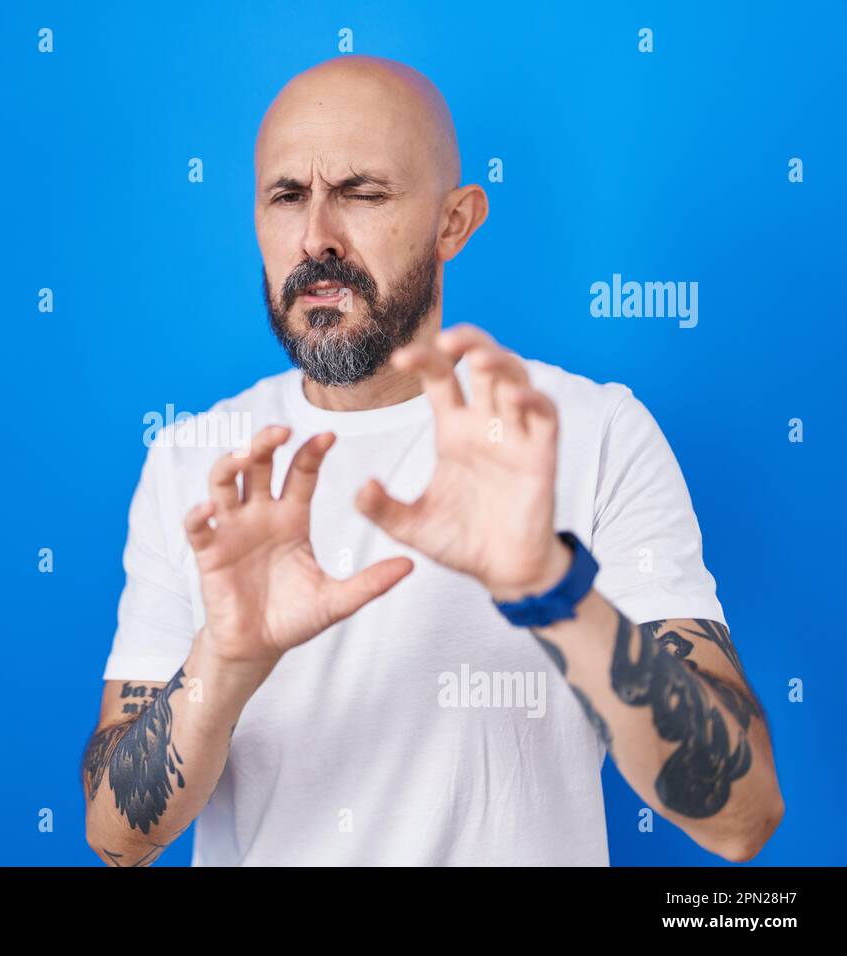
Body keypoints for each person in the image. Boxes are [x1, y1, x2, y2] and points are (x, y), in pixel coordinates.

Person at [80, 55, 784, 866]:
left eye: (363, 192)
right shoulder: (194, 460)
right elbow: (116, 839)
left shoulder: (591, 432)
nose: (317, 238)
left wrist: (549, 588)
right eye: (286, 196)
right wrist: (226, 660)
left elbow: (741, 817)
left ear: (455, 221)